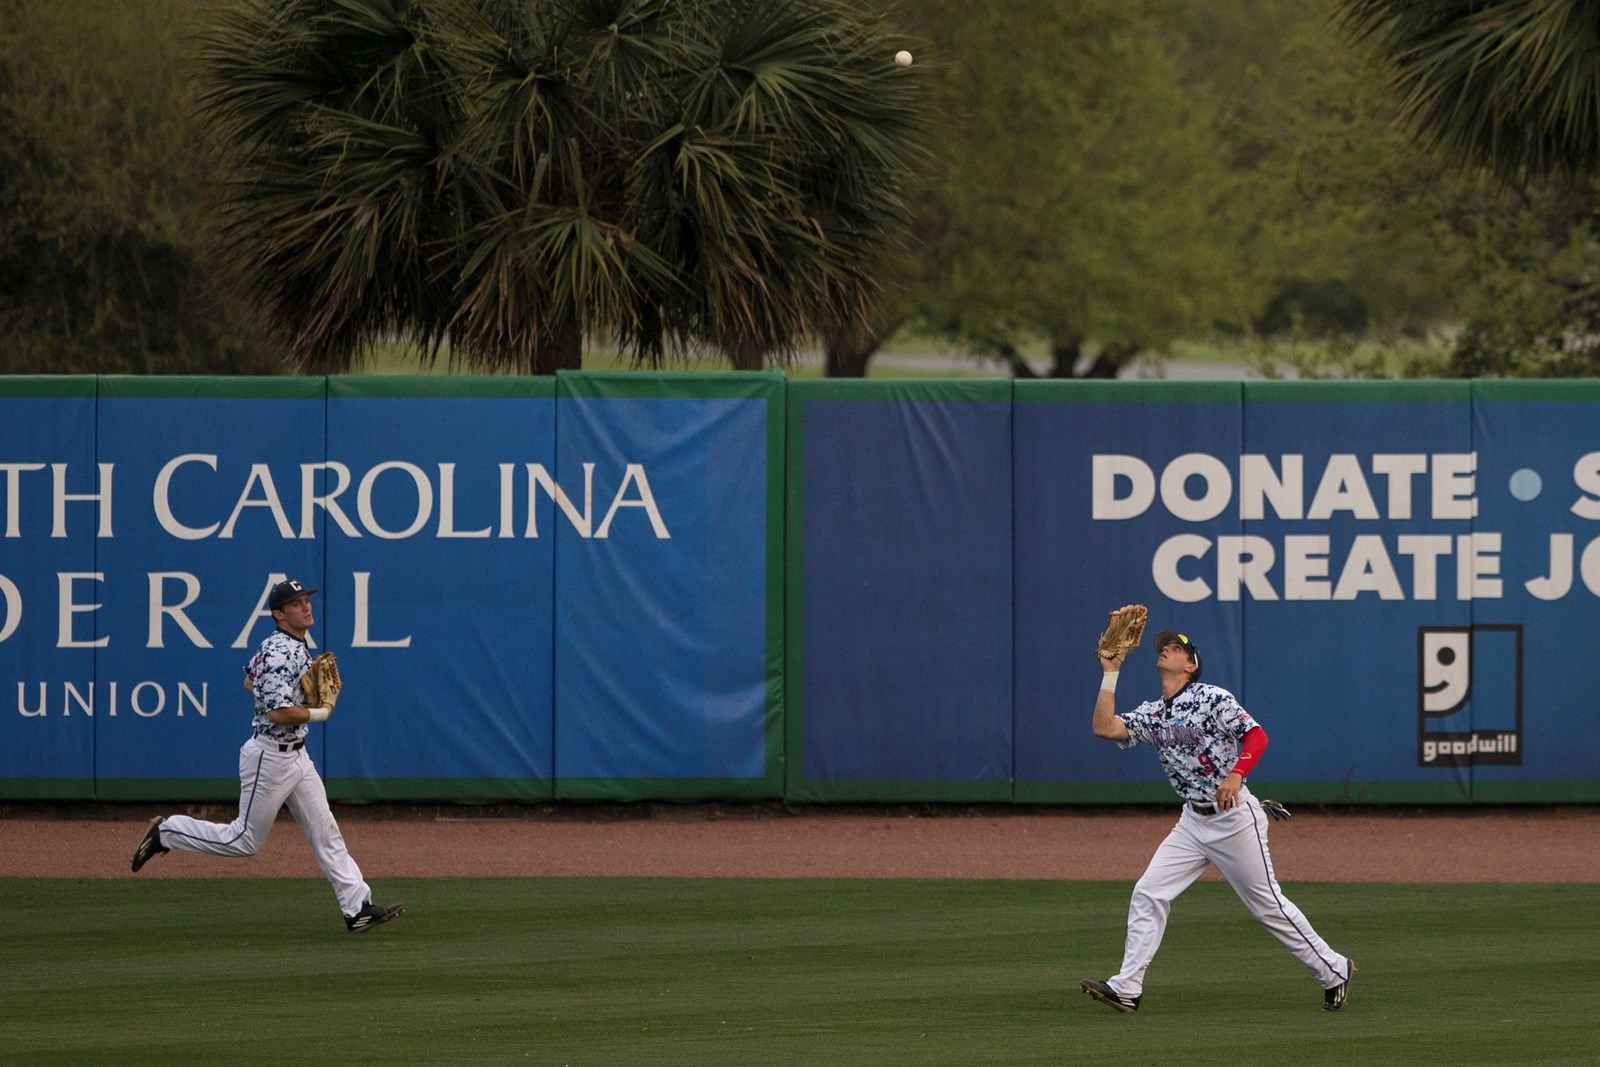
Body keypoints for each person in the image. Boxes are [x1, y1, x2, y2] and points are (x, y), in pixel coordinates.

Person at [1079, 628, 1352, 1013]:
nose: (1166, 651)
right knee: (1149, 892)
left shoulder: (1211, 698)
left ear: (1190, 665)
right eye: (1164, 647)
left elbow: (1256, 736)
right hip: (1192, 822)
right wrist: (1111, 672)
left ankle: (1334, 969)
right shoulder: (1153, 713)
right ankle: (1127, 988)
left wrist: (1237, 774)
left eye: (1175, 649)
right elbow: (1104, 728)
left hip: (1233, 820)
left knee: (1267, 906)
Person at [131, 578, 404, 933]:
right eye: (296, 603)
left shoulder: (292, 645)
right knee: (243, 840)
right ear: (278, 613)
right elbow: (276, 712)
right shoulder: (279, 651)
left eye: (306, 600)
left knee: (326, 832)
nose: (305, 606)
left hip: (297, 757)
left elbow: (249, 680)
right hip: (270, 757)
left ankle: (358, 908)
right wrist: (320, 711)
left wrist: (290, 697)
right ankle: (167, 832)